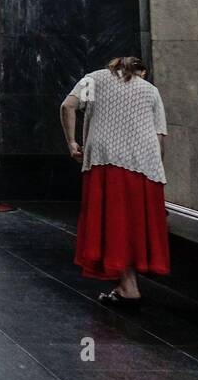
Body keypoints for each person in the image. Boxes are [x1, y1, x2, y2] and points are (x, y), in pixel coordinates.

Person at [60, 56, 170, 309]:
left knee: (113, 222)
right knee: (134, 225)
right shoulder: (150, 91)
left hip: (106, 161)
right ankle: (128, 285)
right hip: (146, 166)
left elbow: (68, 106)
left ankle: (128, 286)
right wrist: (158, 172)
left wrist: (72, 143)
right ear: (140, 70)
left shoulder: (95, 79)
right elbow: (160, 137)